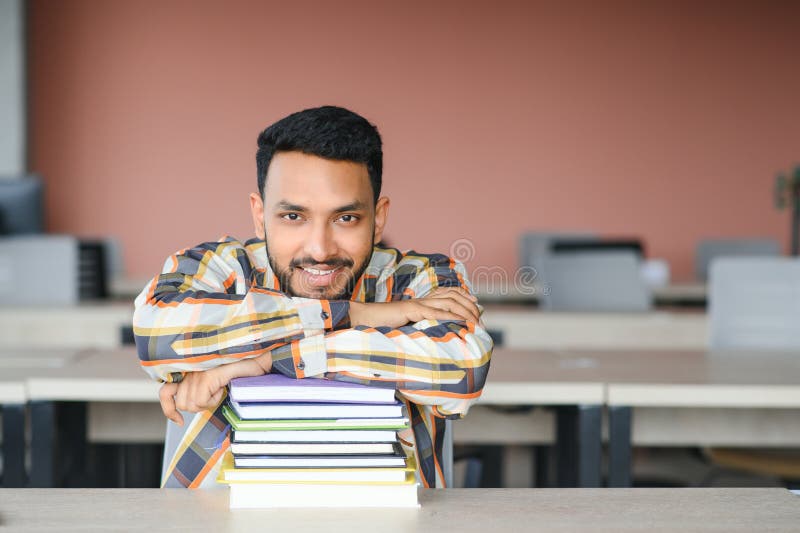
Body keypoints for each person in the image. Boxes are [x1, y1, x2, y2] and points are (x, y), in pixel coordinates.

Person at [133, 105, 493, 488]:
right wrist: (356, 315)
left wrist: (265, 359)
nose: (320, 249)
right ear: (259, 215)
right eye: (293, 217)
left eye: (346, 218)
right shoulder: (220, 267)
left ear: (379, 218)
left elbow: (463, 368)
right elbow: (155, 335)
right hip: (221, 518)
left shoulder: (421, 277)